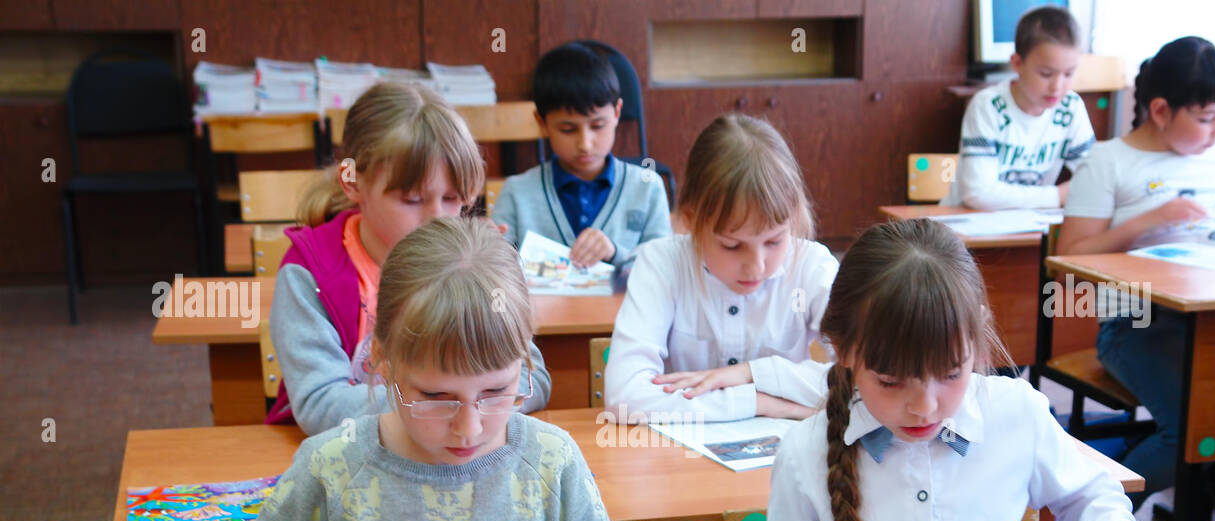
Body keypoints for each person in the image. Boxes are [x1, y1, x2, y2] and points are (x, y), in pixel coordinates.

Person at [213, 217, 642, 521]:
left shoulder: (552, 458)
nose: (469, 427)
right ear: (382, 358)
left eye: (496, 392)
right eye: (436, 396)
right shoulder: (333, 464)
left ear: (525, 360)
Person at [747, 218, 1155, 521]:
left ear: (975, 336)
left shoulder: (1015, 412)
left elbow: (1087, 494)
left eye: (950, 374)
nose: (924, 406)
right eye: (891, 381)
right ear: (844, 350)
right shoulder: (806, 450)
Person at [1056, 37, 1215, 521]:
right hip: (1136, 325)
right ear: (1161, 110)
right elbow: (1070, 258)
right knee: (1193, 424)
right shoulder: (1108, 162)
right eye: (1208, 117)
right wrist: (1153, 219)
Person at [266, 81, 551, 434]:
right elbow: (322, 406)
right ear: (353, 182)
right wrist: (445, 403)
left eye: (453, 198)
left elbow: (531, 378)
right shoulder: (309, 274)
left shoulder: (479, 263)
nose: (438, 218)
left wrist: (448, 406)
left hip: (461, 451)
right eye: (413, 200)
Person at [604, 113, 839, 422]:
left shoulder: (812, 265)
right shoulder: (660, 263)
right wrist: (759, 402)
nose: (756, 267)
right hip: (680, 462)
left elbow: (865, 378)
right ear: (690, 221)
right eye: (732, 245)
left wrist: (750, 373)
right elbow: (624, 396)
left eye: (774, 242)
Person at [491, 42, 671, 269]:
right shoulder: (517, 193)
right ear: (541, 123)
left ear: (617, 113)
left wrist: (615, 253)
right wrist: (484, 248)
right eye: (567, 130)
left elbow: (665, 268)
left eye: (597, 126)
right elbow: (496, 274)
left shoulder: (648, 187)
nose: (585, 144)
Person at [946, 4, 1094, 209]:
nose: (1057, 87)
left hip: (1028, 228)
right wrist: (1058, 196)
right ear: (1016, 63)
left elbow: (1095, 179)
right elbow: (978, 194)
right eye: (1045, 74)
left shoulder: (1071, 107)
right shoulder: (987, 106)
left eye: (1069, 74)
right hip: (968, 230)